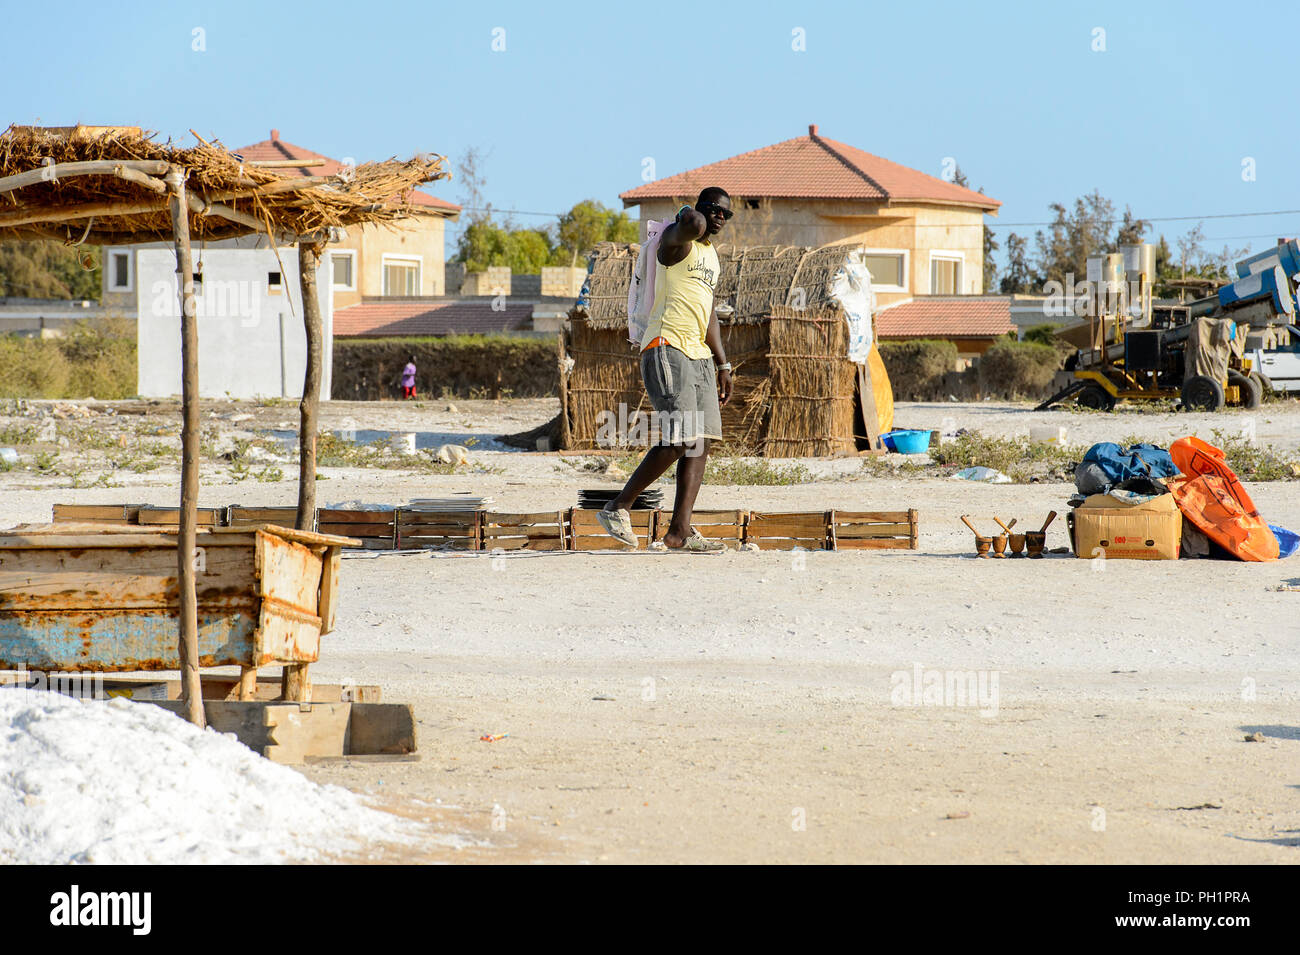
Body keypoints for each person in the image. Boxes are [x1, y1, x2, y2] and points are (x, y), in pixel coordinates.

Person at [596, 186, 734, 553]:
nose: (720, 218)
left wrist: (724, 363)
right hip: (666, 347)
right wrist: (693, 211)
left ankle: (678, 532)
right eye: (715, 211)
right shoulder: (676, 243)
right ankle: (617, 507)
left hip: (699, 354)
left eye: (726, 214)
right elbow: (690, 221)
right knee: (681, 438)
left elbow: (709, 314)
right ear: (700, 211)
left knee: (700, 442)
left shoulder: (712, 258)